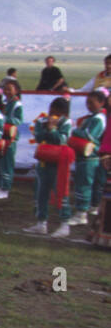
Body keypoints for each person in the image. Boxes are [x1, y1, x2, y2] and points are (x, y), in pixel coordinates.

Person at [24, 98, 74, 237]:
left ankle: (65, 224)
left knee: (61, 192)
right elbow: (39, 137)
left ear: (63, 113)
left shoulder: (66, 122)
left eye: (56, 111)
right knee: (41, 193)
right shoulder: (42, 121)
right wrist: (49, 129)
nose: (52, 112)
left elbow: (62, 140)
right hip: (44, 161)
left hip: (59, 163)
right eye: (51, 109)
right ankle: (41, 223)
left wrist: (52, 129)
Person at [67, 89, 108, 227]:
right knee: (86, 184)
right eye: (87, 103)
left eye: (91, 103)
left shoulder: (98, 118)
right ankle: (88, 208)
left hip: (89, 156)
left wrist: (76, 131)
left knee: (83, 184)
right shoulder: (94, 117)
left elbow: (90, 136)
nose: (88, 106)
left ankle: (81, 214)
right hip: (87, 156)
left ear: (102, 103)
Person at [0, 78, 23, 199]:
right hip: (3, 136)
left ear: (16, 90)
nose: (7, 91)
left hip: (10, 137)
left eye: (10, 89)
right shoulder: (7, 103)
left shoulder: (17, 104)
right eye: (5, 89)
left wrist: (3, 119)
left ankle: (5, 188)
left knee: (7, 164)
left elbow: (18, 120)